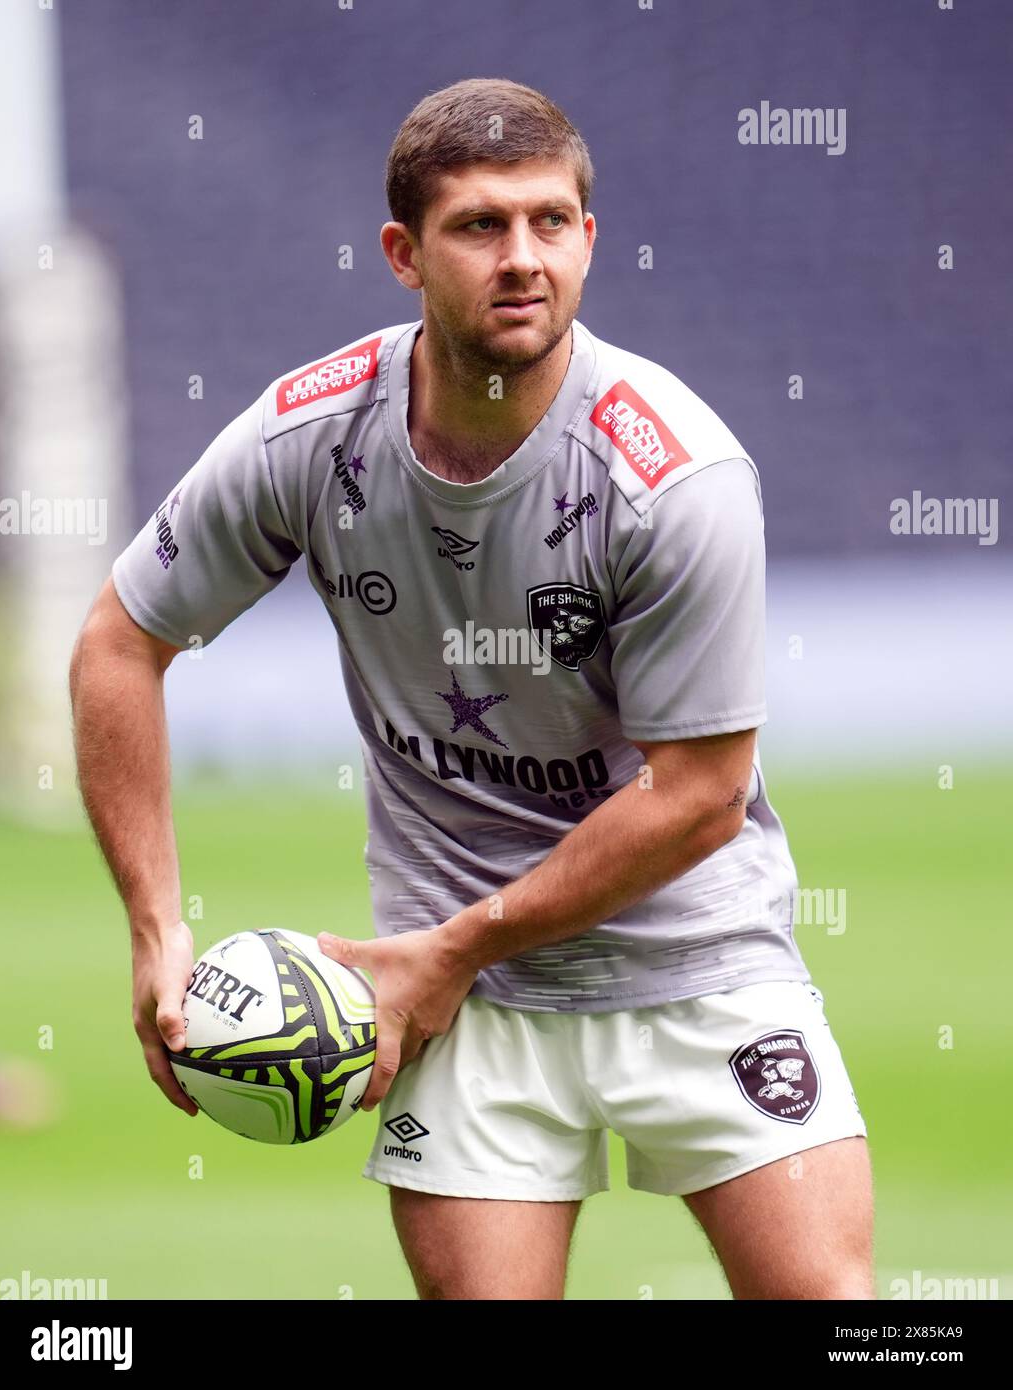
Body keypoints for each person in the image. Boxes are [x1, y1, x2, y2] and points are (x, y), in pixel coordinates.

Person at [69, 77, 872, 1301]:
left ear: (591, 239)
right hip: (464, 1006)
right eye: (480, 226)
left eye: (552, 223)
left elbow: (702, 795)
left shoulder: (675, 474)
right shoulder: (312, 436)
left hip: (700, 967)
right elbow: (121, 638)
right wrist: (155, 926)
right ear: (403, 253)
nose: (523, 259)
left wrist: (448, 948)